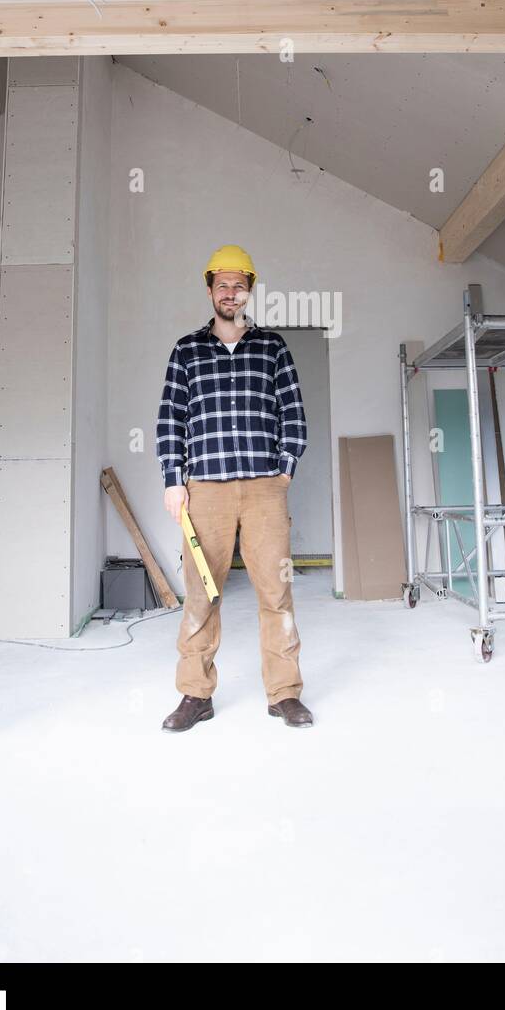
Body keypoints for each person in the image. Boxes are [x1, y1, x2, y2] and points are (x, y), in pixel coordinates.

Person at [156, 246, 312, 732]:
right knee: (202, 596)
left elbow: (294, 413)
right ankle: (195, 695)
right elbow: (170, 418)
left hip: (265, 488)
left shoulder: (273, 347)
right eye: (222, 285)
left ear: (249, 290)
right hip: (205, 492)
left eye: (238, 285)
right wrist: (172, 481)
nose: (230, 293)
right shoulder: (186, 350)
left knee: (276, 593)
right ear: (209, 290)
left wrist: (283, 471)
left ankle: (284, 694)